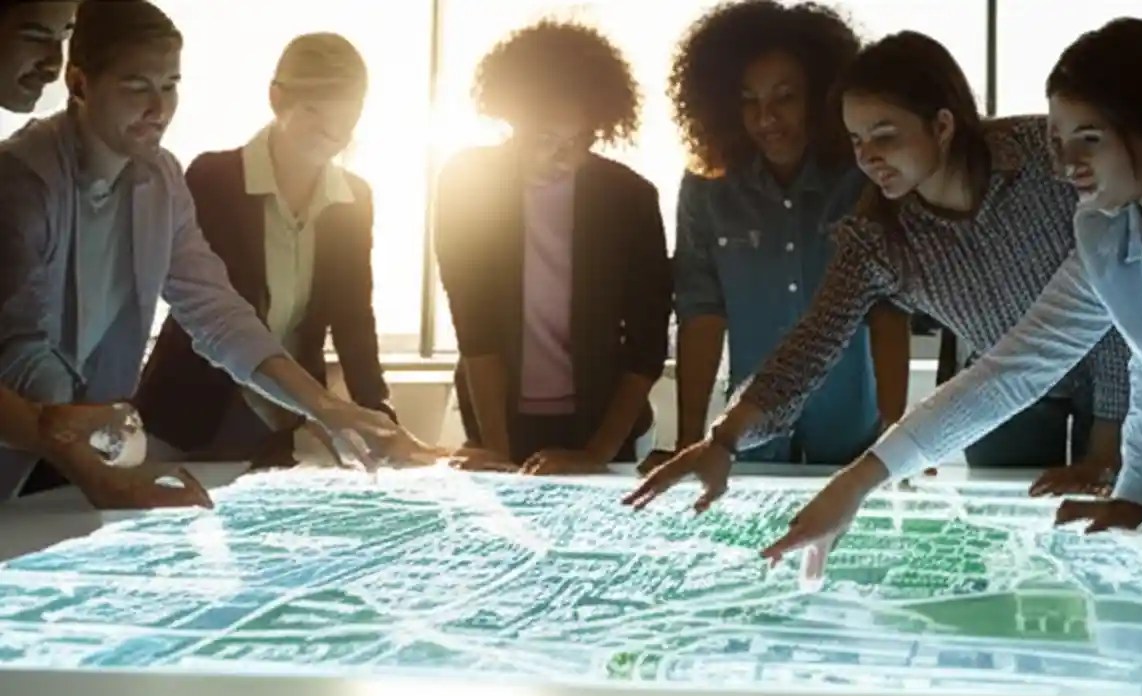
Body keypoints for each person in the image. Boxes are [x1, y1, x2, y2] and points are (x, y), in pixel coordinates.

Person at [758, 18, 1142, 567]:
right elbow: (1023, 369)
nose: (1068, 165)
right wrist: (856, 485)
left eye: (1090, 138)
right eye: (1057, 142)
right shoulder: (1106, 237)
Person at [627, 31, 1133, 515]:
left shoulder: (1045, 157)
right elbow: (810, 346)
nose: (868, 157)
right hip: (1003, 389)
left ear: (942, 126)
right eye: (856, 139)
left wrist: (1106, 445)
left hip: (1132, 370)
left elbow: (1120, 289)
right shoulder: (876, 237)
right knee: (1017, 524)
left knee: (1133, 509)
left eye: (885, 136)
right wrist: (723, 440)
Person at [0, 0, 440, 508]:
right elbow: (19, 350)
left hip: (84, 445)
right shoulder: (24, 179)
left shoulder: (162, 178)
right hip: (37, 440)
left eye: (170, 86)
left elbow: (218, 312)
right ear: (79, 84)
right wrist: (94, 459)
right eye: (137, 87)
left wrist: (327, 408)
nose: (158, 109)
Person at [638, 1, 903, 475]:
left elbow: (889, 311)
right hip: (746, 439)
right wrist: (687, 440)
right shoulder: (705, 189)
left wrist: (897, 437)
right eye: (747, 100)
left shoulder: (862, 182)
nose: (765, 118)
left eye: (785, 97)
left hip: (851, 434)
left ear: (821, 97)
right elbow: (701, 315)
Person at [135, 33, 395, 468]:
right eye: (314, 109)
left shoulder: (354, 198)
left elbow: (354, 319)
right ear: (277, 99)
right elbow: (198, 302)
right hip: (189, 410)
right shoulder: (213, 178)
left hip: (288, 418)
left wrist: (380, 414)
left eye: (347, 112)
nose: (333, 128)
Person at [436, 21, 672, 474]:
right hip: (497, 418)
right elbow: (474, 325)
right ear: (515, 119)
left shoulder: (630, 197)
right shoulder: (467, 182)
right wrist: (499, 453)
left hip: (604, 426)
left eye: (578, 141)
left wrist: (596, 455)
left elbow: (647, 341)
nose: (564, 158)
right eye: (545, 139)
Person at [0, 0, 167, 495]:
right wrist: (82, 450)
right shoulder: (25, 173)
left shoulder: (160, 177)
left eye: (63, 36)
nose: (54, 62)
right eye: (35, 35)